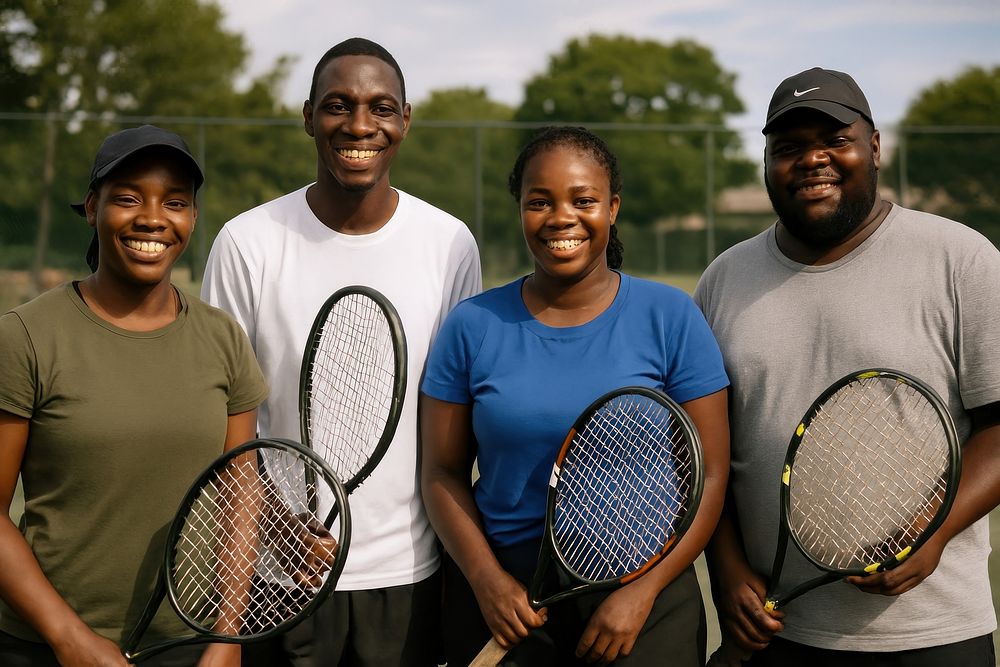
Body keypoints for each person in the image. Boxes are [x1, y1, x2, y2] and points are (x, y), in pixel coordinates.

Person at [695, 67, 1000, 666]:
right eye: (788, 148)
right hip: (777, 632)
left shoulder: (961, 259)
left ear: (875, 147)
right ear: (766, 163)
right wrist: (727, 569)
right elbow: (708, 456)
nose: (813, 160)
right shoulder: (723, 280)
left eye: (834, 141)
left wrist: (934, 534)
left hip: (930, 633)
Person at [201, 37, 481, 666]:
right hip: (274, 579)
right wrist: (278, 529)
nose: (359, 125)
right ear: (308, 117)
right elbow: (225, 422)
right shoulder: (245, 243)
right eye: (337, 105)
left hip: (410, 575)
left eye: (381, 108)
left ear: (405, 122)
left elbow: (454, 424)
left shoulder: (450, 244)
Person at [420, 126, 730, 666]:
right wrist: (487, 582)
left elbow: (712, 474)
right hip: (511, 599)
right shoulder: (472, 325)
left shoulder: (670, 316)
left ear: (612, 208)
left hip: (644, 596)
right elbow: (441, 473)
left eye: (583, 200)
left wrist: (643, 592)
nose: (561, 217)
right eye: (539, 202)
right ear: (519, 210)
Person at [0, 125, 268, 667]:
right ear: (93, 208)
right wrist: (68, 637)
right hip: (45, 647)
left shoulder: (222, 338)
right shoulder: (25, 335)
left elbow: (241, 499)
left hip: (186, 647)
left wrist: (226, 634)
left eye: (175, 202)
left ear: (192, 219)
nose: (152, 218)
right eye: (127, 198)